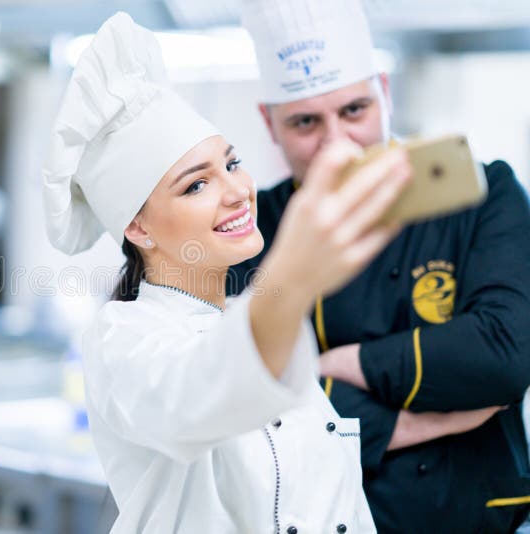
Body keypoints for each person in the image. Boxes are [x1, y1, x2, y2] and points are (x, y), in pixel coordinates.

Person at [42, 12, 415, 533]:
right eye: (197, 185)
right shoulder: (123, 338)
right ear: (139, 228)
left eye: (232, 164)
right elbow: (196, 393)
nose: (239, 191)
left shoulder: (250, 317)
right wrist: (296, 272)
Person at [228, 0, 530, 532]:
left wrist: (339, 365)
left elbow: (504, 357)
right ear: (268, 124)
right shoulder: (252, 231)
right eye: (305, 122)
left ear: (384, 94)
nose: (337, 145)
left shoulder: (486, 196)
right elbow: (244, 406)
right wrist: (415, 420)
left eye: (354, 111)